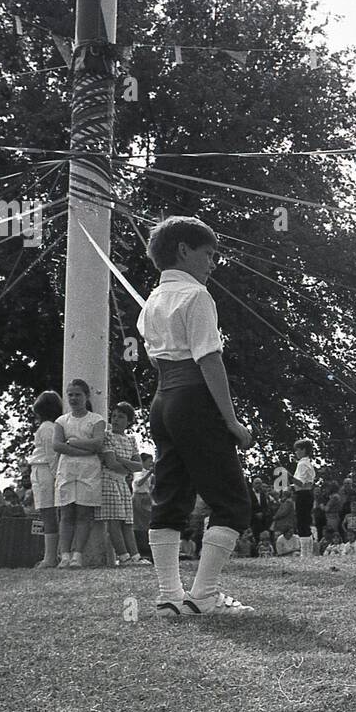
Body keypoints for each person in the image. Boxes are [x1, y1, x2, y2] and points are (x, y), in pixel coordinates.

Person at [137, 215, 255, 615]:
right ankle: (203, 594)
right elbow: (209, 360)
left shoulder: (151, 301)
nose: (212, 263)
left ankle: (169, 594)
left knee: (170, 497)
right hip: (194, 398)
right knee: (232, 502)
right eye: (208, 253)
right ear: (184, 251)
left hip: (162, 400)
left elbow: (157, 361)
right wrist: (232, 421)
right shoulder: (197, 296)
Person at [52, 379, 105, 569]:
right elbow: (56, 445)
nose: (74, 398)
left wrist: (72, 442)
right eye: (71, 395)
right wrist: (84, 449)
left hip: (89, 471)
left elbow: (98, 443)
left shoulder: (96, 420)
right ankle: (64, 555)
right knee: (66, 513)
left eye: (78, 394)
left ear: (86, 396)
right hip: (67, 470)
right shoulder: (62, 421)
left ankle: (77, 555)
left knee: (84, 513)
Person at [97, 402, 145, 566]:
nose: (116, 420)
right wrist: (127, 465)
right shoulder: (107, 436)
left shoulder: (131, 440)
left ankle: (135, 555)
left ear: (129, 421)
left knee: (127, 520)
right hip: (109, 479)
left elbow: (139, 466)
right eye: (114, 416)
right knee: (114, 519)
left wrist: (121, 460)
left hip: (123, 481)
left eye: (121, 417)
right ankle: (123, 556)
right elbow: (111, 463)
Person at [28, 390, 64, 568]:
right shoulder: (49, 427)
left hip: (44, 471)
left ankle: (50, 557)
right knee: (48, 514)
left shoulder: (47, 427)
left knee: (48, 513)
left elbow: (52, 455)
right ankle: (51, 555)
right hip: (42, 470)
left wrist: (57, 475)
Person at [291, 439, 318, 557]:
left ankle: (305, 553)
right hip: (307, 494)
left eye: (297, 450)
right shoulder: (308, 463)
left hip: (302, 495)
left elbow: (300, 482)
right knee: (305, 522)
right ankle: (308, 553)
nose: (296, 452)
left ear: (303, 450)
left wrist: (288, 476)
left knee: (302, 523)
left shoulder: (302, 464)